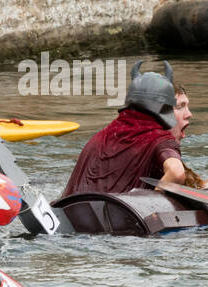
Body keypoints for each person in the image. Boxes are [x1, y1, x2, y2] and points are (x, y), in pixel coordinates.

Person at [61, 61, 187, 197]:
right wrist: (151, 202)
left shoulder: (100, 137)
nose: (189, 114)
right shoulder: (159, 139)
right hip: (119, 215)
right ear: (166, 107)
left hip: (72, 212)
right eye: (180, 106)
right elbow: (176, 173)